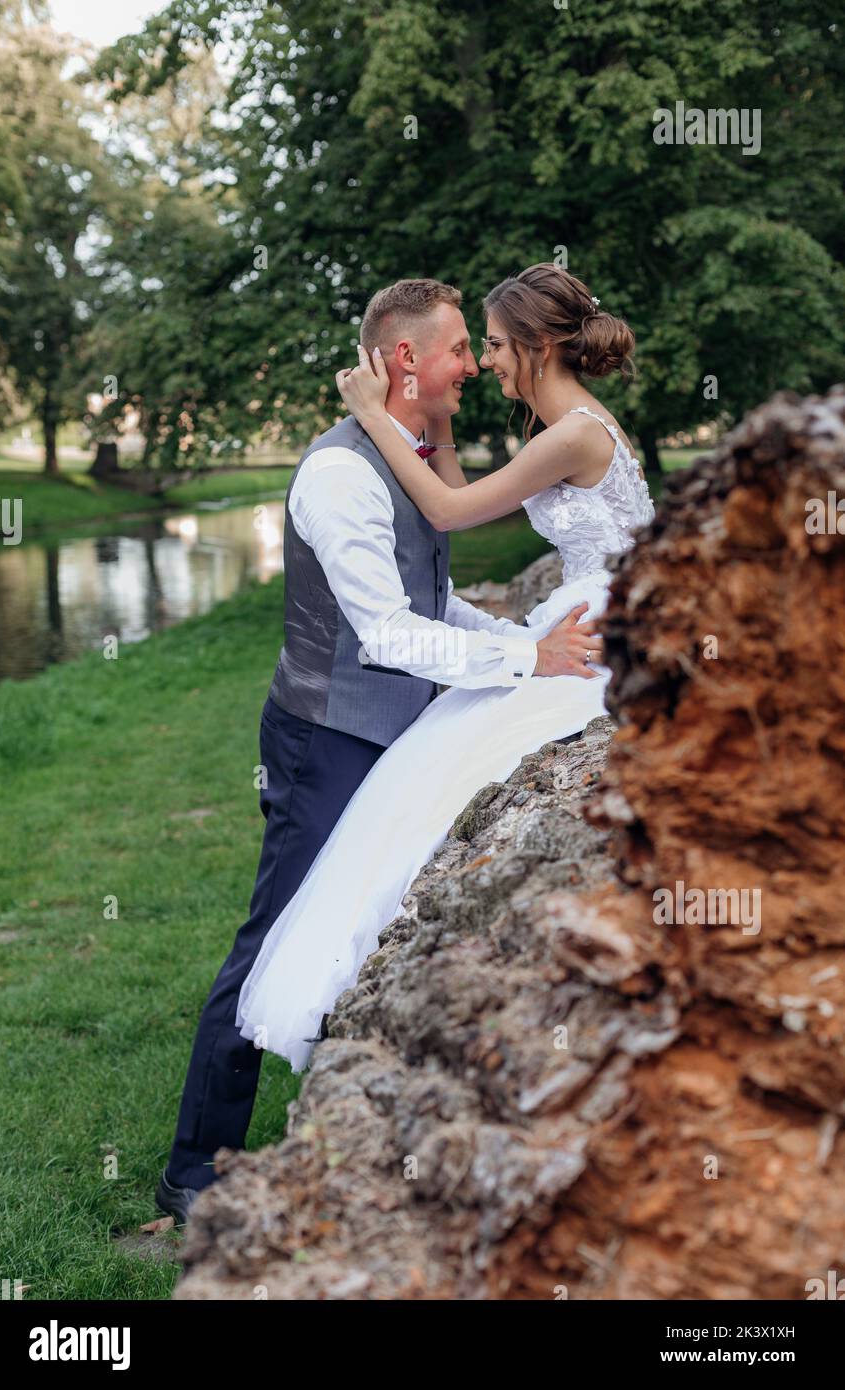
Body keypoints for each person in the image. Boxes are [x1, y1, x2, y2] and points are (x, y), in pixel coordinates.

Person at [156, 276, 601, 1223]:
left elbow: (429, 604)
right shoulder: (341, 474)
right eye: (455, 351)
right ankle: (195, 1170)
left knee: (359, 923)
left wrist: (513, 636)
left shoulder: (409, 452)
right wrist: (527, 656)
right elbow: (389, 637)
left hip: (379, 729)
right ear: (407, 362)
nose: (472, 369)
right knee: (275, 936)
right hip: (325, 735)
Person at [233, 263, 654, 1076]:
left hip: (604, 623)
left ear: (536, 345)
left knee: (437, 776)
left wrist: (375, 411)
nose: (485, 361)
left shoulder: (573, 433)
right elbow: (456, 490)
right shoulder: (553, 430)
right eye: (471, 348)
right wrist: (433, 416)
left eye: (492, 345)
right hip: (572, 612)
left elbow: (445, 509)